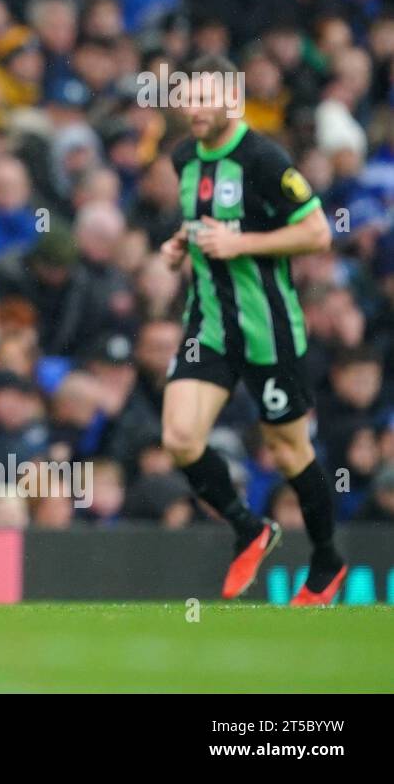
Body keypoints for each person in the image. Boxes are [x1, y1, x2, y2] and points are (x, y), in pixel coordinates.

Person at [160, 55, 345, 605]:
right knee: (179, 438)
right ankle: (249, 527)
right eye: (187, 98)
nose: (193, 109)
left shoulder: (264, 160)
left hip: (268, 328)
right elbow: (203, 216)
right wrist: (180, 243)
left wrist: (242, 244)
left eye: (204, 99)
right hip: (209, 323)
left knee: (288, 450)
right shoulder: (183, 158)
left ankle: (326, 560)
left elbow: (317, 234)